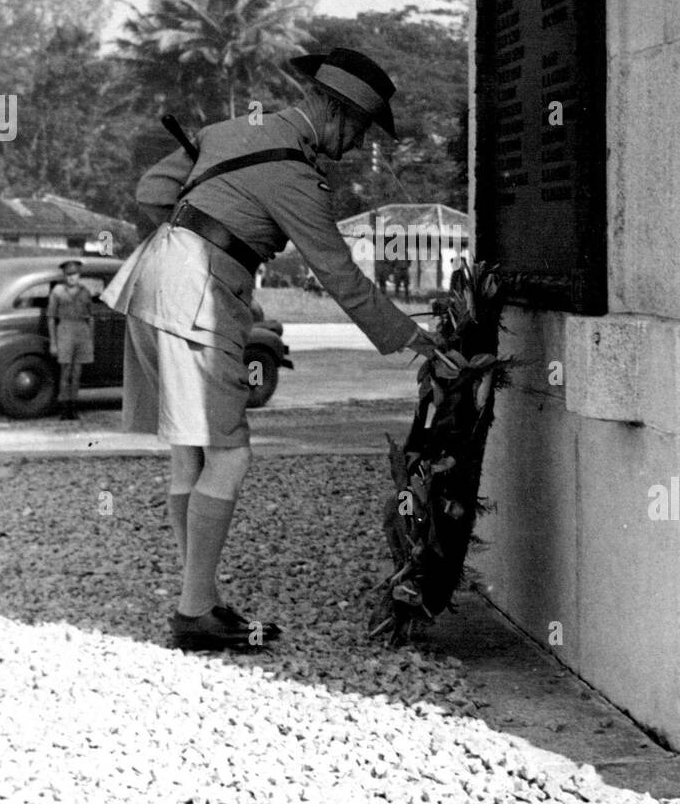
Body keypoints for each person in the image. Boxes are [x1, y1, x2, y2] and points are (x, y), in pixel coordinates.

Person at [101, 47, 440, 653]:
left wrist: (200, 222)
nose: (357, 145)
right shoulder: (297, 178)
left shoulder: (230, 130)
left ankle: (194, 596)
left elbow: (152, 189)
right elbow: (341, 278)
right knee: (229, 456)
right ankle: (195, 612)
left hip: (151, 280)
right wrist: (419, 341)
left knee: (190, 455)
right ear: (337, 113)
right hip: (196, 296)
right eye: (359, 130)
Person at [46, 259, 94, 421]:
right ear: (64, 276)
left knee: (77, 373)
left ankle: (74, 407)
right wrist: (53, 342)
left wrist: (90, 340)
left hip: (82, 332)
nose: (72, 278)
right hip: (65, 330)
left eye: (74, 274)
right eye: (68, 275)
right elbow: (51, 318)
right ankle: (64, 408)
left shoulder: (85, 292)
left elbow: (90, 317)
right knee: (65, 371)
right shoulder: (57, 292)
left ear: (79, 275)